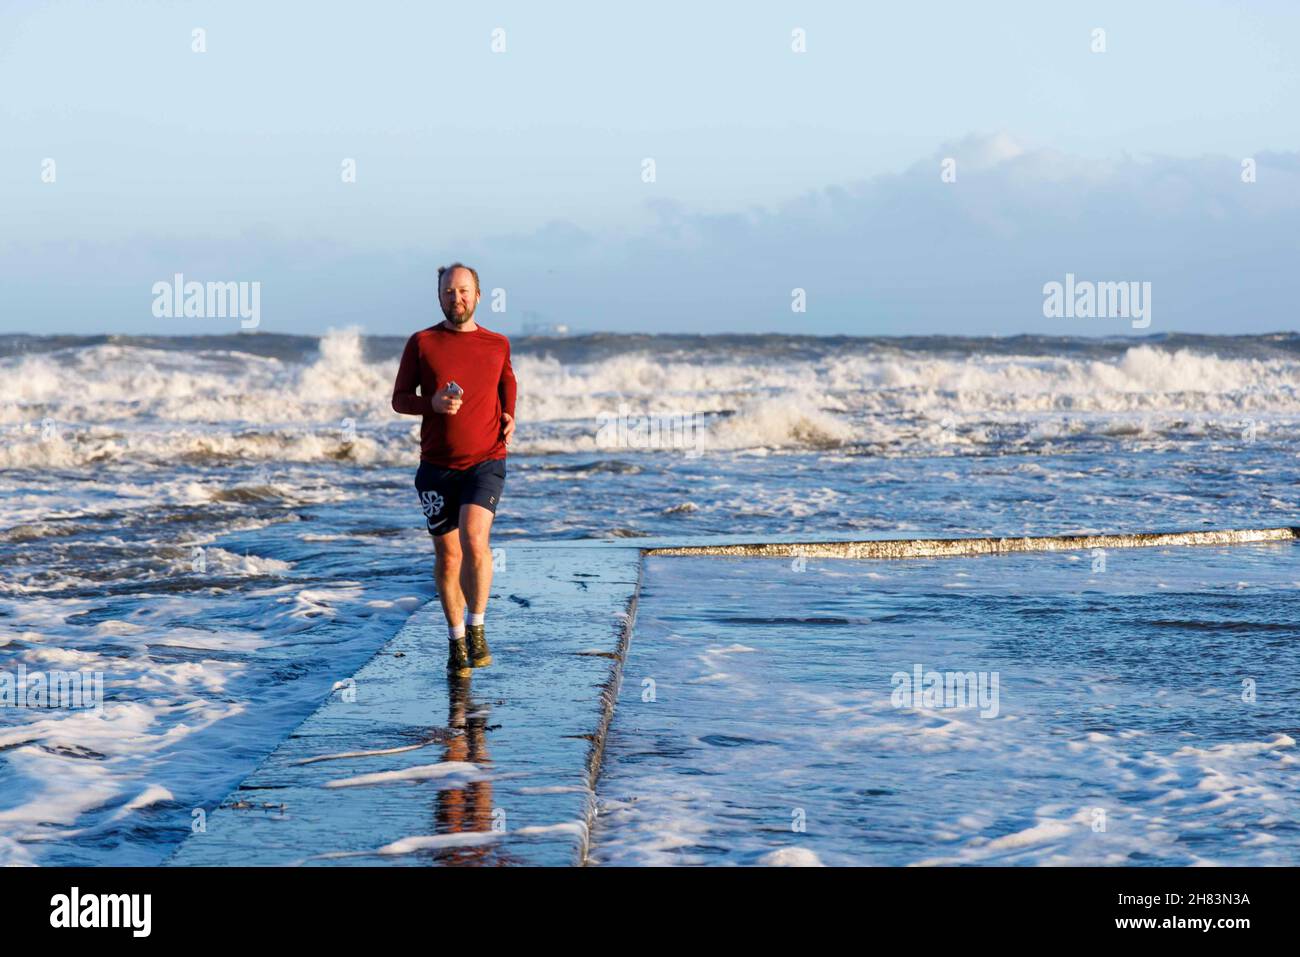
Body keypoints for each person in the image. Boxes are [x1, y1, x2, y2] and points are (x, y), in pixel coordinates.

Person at [392, 262, 517, 678]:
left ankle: (477, 627)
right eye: (449, 292)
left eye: (463, 291)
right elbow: (399, 398)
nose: (456, 298)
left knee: (474, 538)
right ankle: (456, 640)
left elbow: (506, 383)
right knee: (448, 558)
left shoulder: (497, 343)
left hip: (486, 460)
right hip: (436, 468)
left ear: (478, 295)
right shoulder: (422, 342)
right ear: (439, 296)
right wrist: (431, 404)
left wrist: (510, 415)